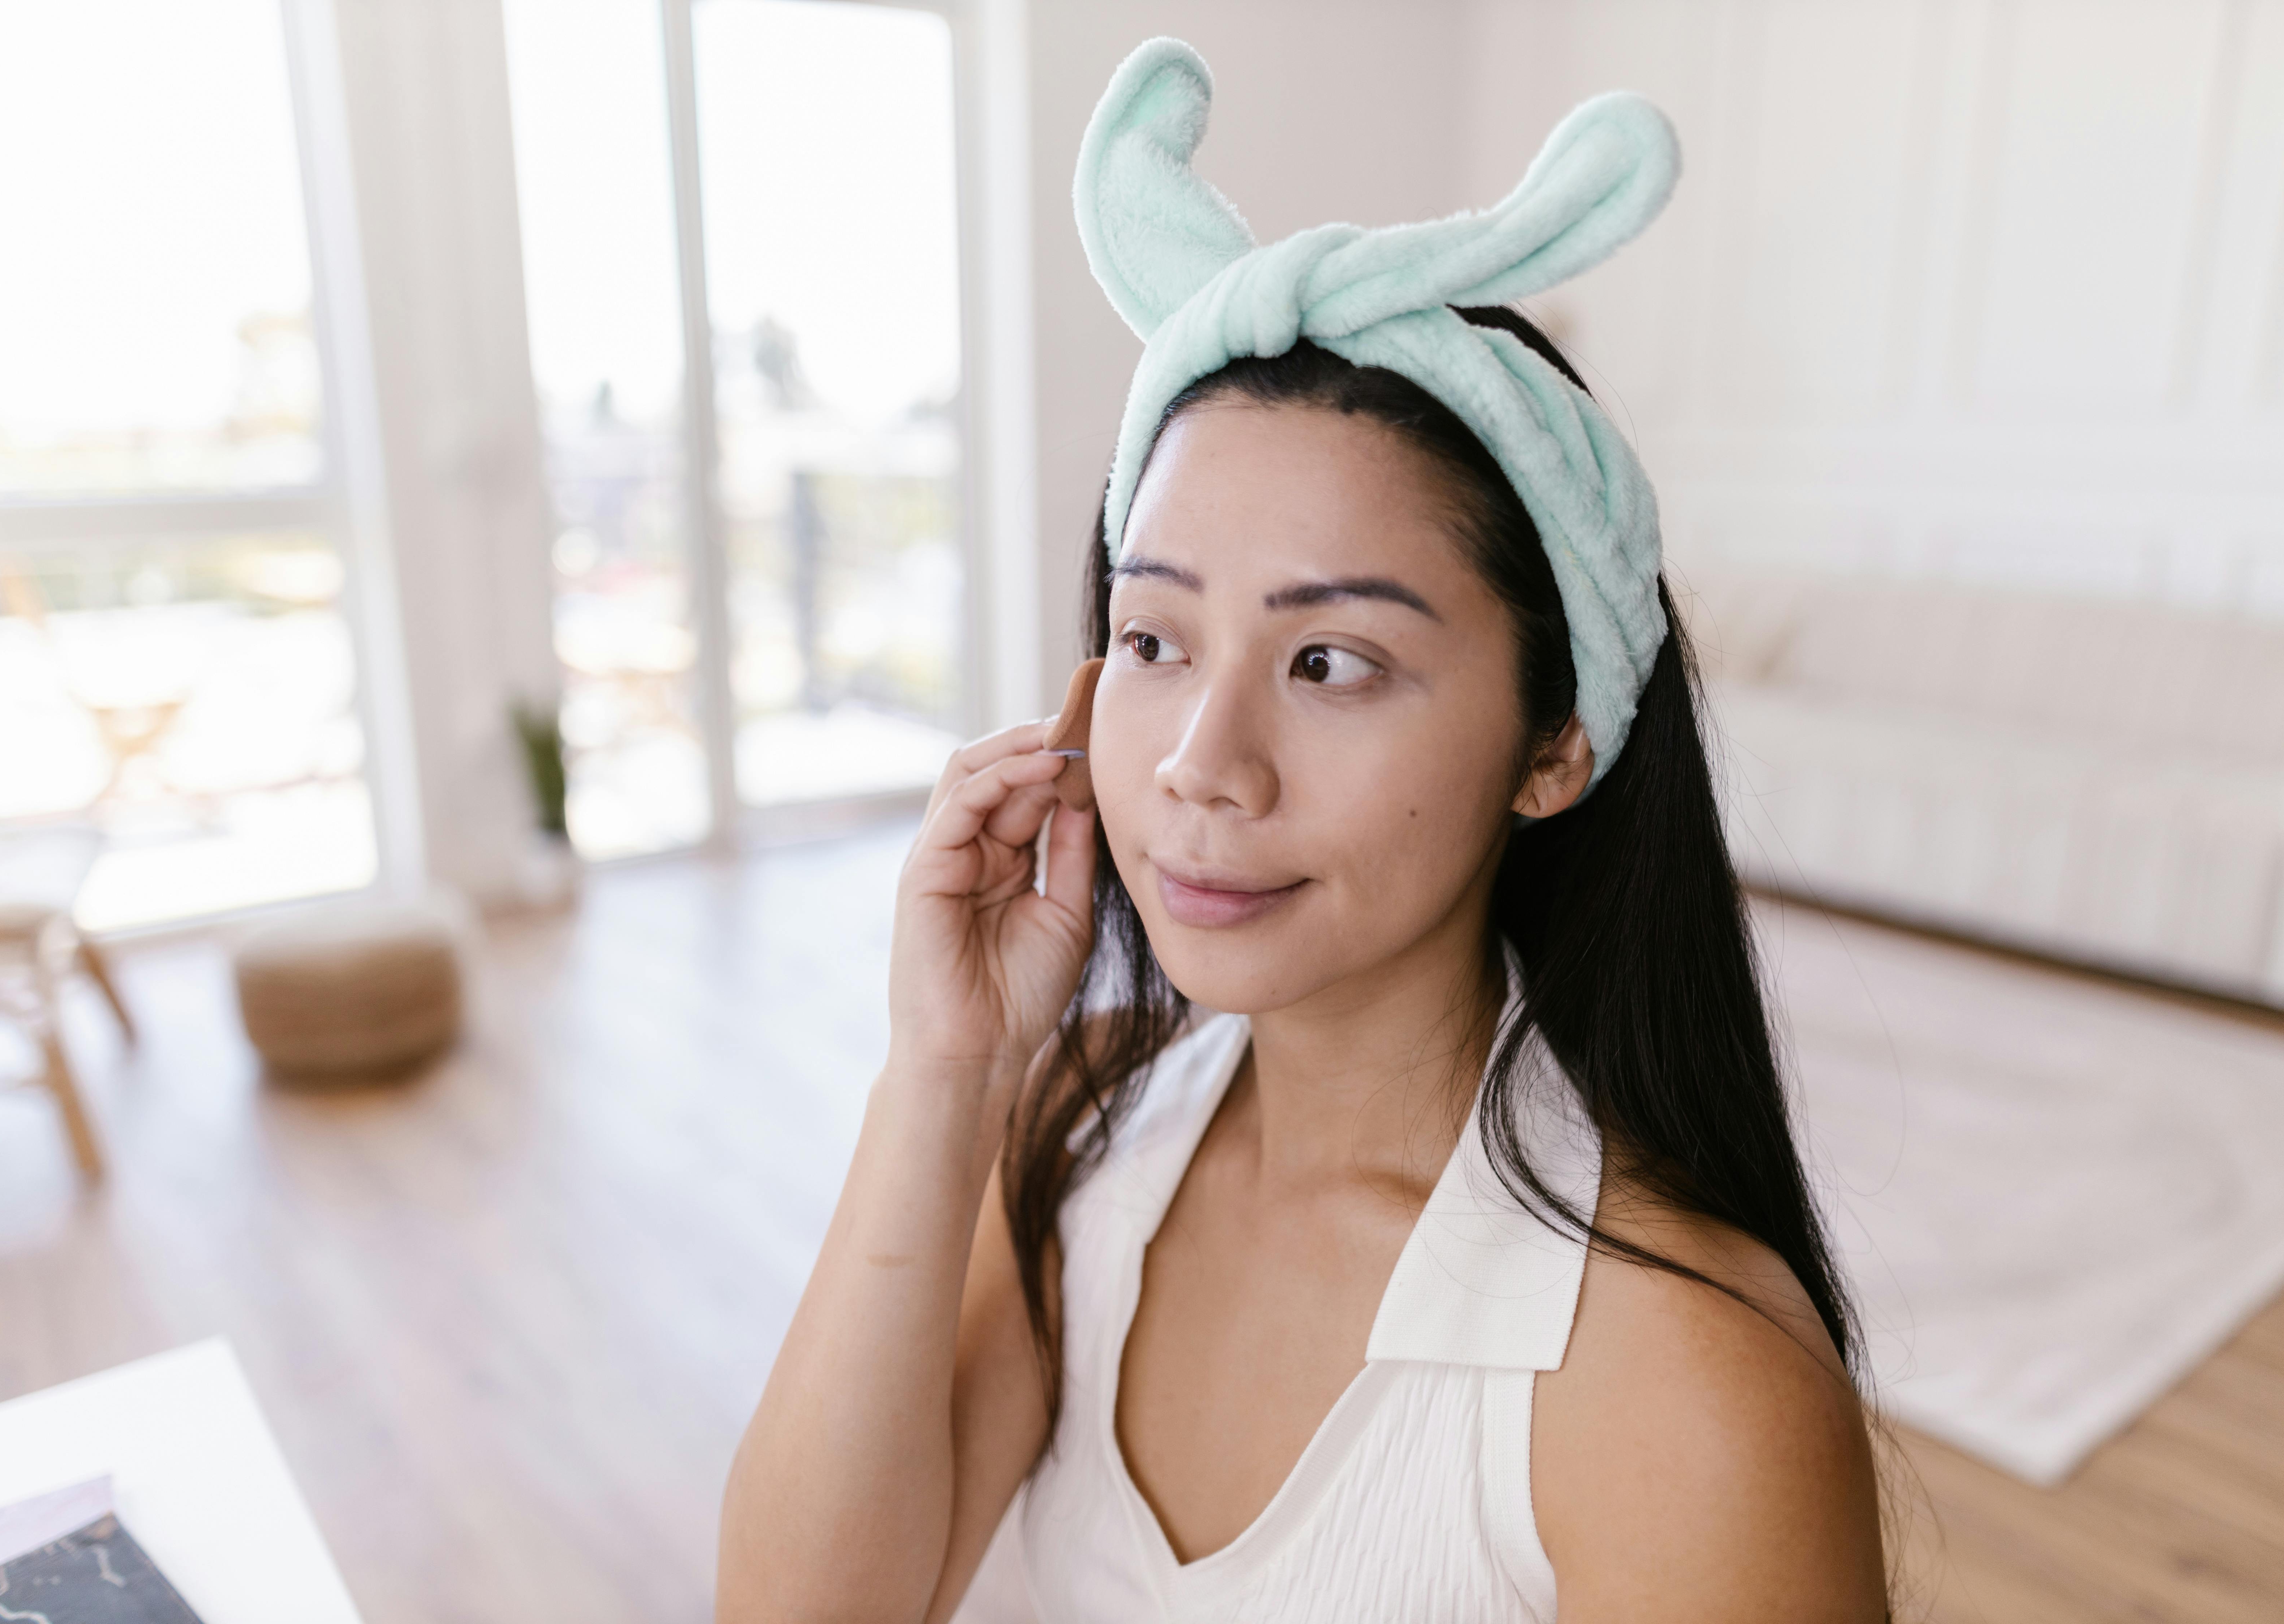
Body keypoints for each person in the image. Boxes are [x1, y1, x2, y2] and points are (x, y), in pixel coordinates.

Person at [720, 38, 1888, 1624]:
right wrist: (946, 1071)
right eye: (1154, 639)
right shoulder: (1076, 1130)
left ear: (1556, 743)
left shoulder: (1688, 1379)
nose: (1203, 766)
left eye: (1331, 662)